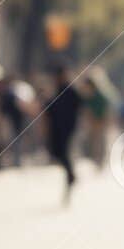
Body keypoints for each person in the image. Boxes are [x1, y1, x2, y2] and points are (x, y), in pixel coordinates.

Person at [44, 65, 82, 205]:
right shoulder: (56, 89)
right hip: (57, 127)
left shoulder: (70, 90)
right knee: (58, 153)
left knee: (63, 152)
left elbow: (79, 106)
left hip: (66, 128)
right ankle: (70, 174)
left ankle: (70, 175)